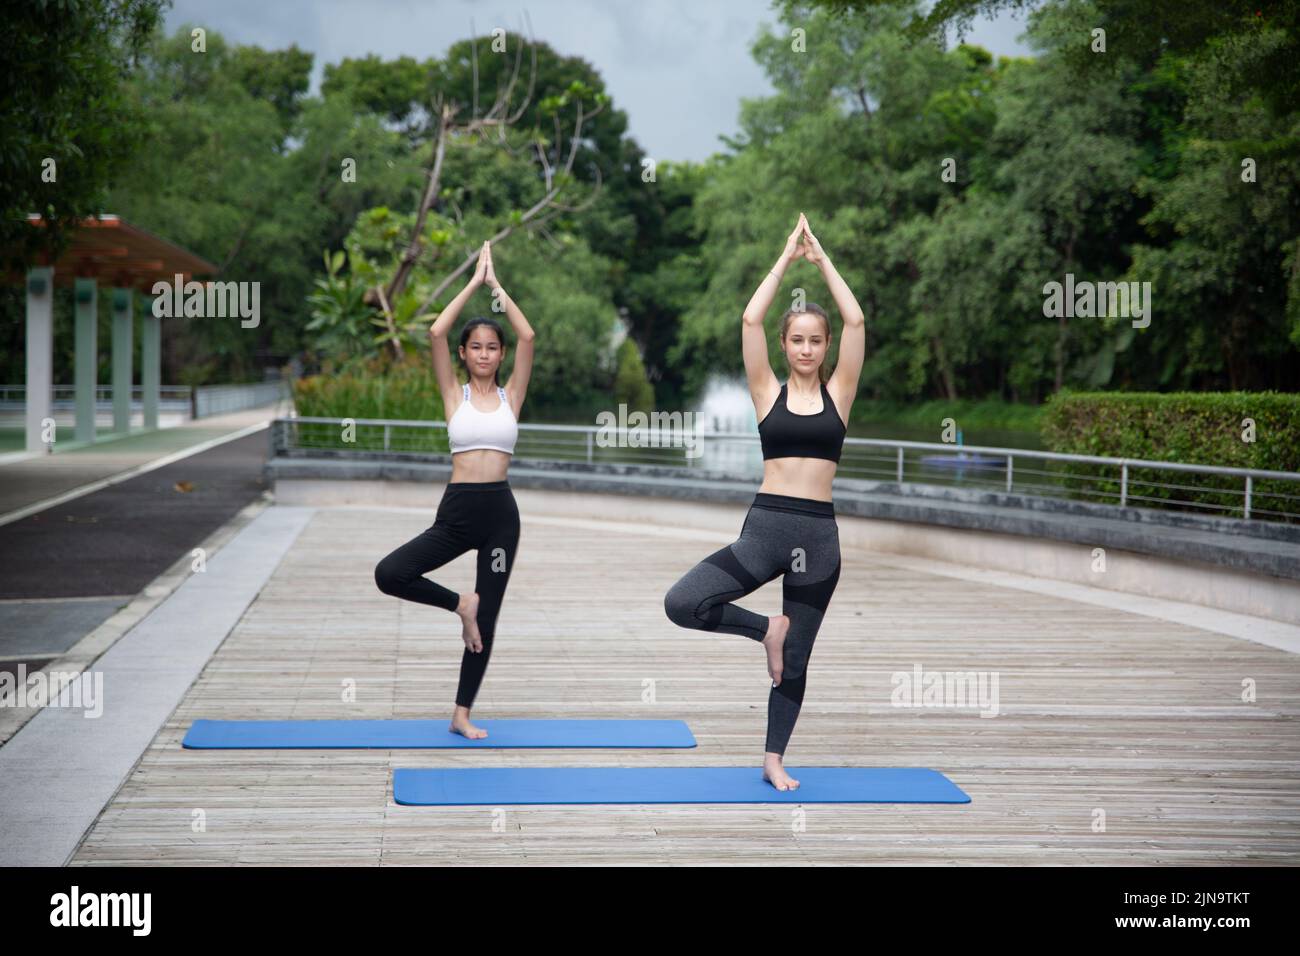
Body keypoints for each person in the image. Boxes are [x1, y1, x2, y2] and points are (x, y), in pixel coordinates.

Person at [663, 213, 865, 790]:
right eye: (797, 339)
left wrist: (821, 259)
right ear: (784, 345)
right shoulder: (765, 393)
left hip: (818, 539)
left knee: (797, 659)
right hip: (765, 530)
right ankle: (764, 629)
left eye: (815, 340)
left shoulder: (839, 392)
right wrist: (785, 256)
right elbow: (750, 318)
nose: (806, 348)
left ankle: (774, 759)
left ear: (827, 347)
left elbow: (856, 319)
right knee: (683, 602)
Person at [374, 241, 535, 739]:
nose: (484, 354)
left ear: (501, 355)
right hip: (458, 512)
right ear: (464, 354)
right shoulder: (453, 395)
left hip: (501, 517)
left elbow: (528, 334)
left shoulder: (511, 395)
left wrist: (497, 286)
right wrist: (473, 281)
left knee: (489, 615)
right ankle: (458, 604)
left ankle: (461, 713)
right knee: (390, 573)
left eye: (492, 347)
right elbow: (435, 331)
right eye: (476, 347)